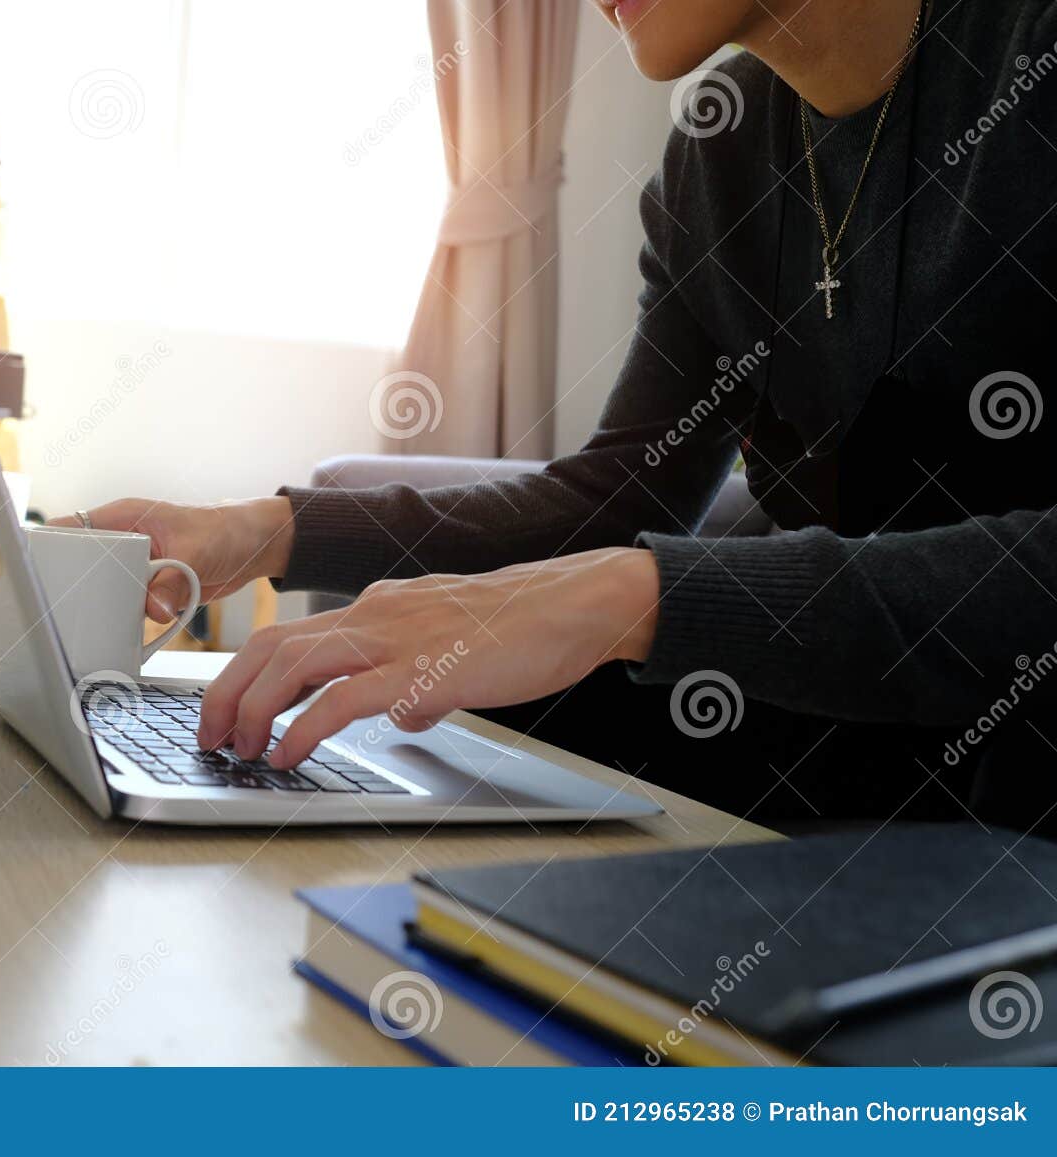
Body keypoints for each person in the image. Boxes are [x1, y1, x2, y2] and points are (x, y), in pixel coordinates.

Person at [59, 0, 1057, 829]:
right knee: (449, 740)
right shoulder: (722, 148)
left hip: (1010, 745)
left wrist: (627, 595)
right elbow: (622, 490)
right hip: (845, 713)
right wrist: (264, 529)